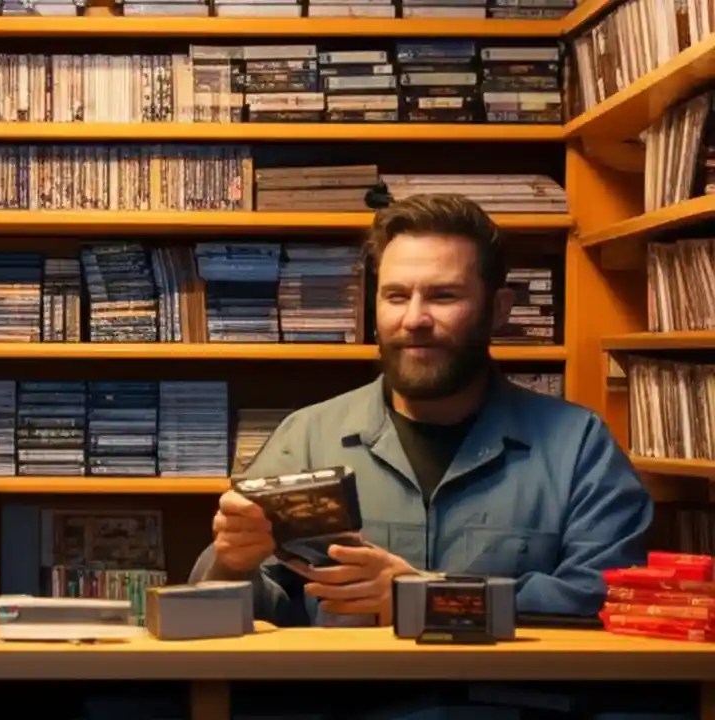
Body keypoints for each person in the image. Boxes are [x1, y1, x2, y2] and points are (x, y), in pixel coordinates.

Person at [195, 193, 653, 628]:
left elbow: (608, 599)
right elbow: (248, 617)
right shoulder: (308, 438)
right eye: (396, 296)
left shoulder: (578, 447)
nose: (414, 319)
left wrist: (423, 598)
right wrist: (232, 565)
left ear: (498, 311)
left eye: (443, 296)